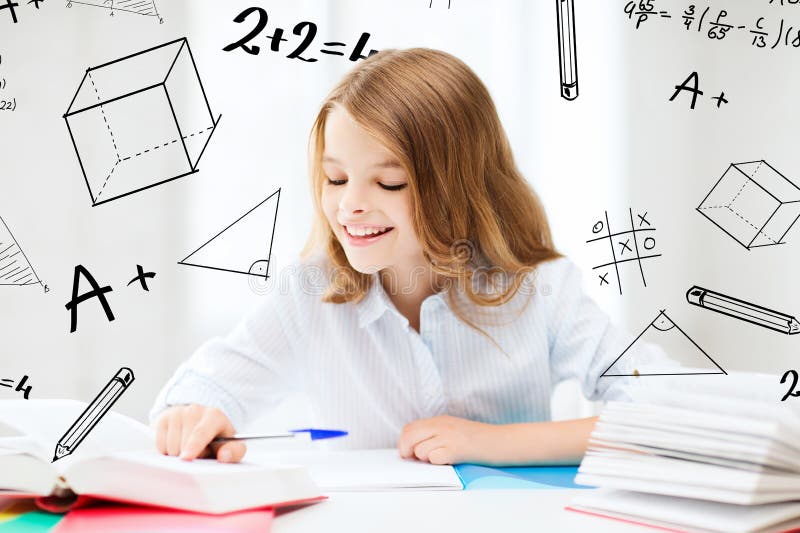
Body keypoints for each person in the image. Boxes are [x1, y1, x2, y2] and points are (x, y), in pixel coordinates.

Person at [150, 48, 672, 466]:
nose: (350, 203)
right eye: (335, 178)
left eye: (390, 181)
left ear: (460, 188)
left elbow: (666, 414)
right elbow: (202, 389)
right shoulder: (311, 291)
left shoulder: (542, 290)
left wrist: (489, 443)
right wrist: (193, 421)